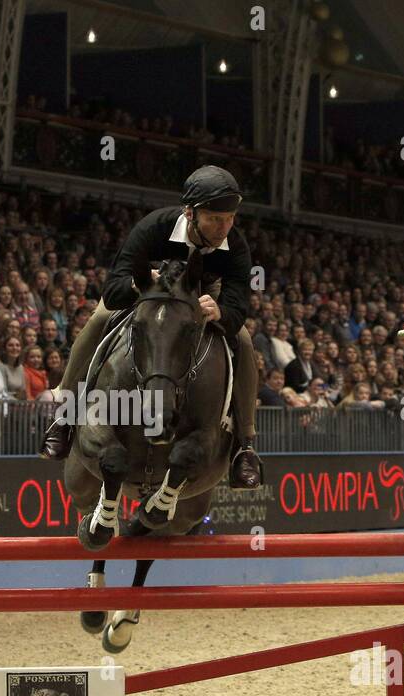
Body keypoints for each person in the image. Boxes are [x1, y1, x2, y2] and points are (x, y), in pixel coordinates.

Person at [37, 165, 262, 487]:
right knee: (99, 318)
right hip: (150, 292)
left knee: (244, 340)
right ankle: (66, 415)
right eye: (214, 218)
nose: (223, 227)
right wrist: (137, 284)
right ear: (190, 213)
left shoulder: (235, 246)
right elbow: (113, 290)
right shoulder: (155, 227)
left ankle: (245, 445)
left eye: (229, 219)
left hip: (202, 295)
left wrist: (221, 312)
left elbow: (238, 306)